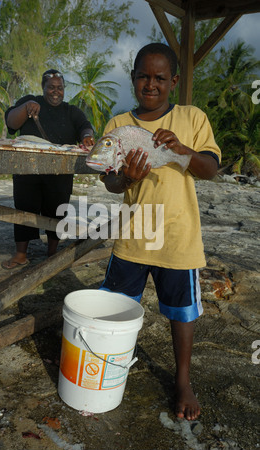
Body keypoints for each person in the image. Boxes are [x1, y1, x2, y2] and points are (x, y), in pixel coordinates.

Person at [99, 43, 221, 420]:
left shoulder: (192, 117)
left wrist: (183, 150)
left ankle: (183, 380)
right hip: (133, 238)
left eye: (159, 78)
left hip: (178, 238)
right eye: (143, 77)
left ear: (174, 81)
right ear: (133, 78)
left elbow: (211, 169)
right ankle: (106, 368)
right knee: (115, 309)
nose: (150, 84)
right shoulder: (119, 125)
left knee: (182, 313)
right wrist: (126, 178)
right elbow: (111, 184)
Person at [2, 69, 94, 269]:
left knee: (58, 210)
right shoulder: (31, 101)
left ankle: (51, 252)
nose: (55, 91)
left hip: (59, 173)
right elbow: (11, 122)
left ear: (64, 90)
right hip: (27, 170)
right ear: (43, 87)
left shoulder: (72, 111)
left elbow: (85, 126)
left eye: (59, 88)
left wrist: (87, 136)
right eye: (51, 87)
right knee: (24, 208)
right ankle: (20, 254)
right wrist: (26, 107)